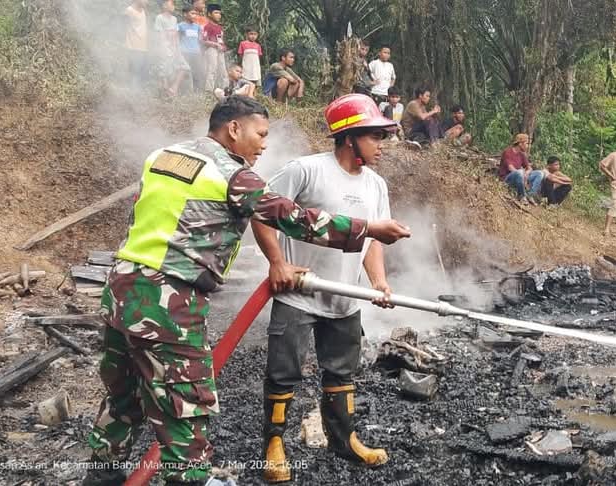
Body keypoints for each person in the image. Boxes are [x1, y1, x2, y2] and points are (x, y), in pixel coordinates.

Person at [80, 96, 412, 486]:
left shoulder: (163, 156)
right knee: (188, 407)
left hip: (121, 288)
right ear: (233, 129)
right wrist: (369, 229)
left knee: (123, 398)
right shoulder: (233, 175)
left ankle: (100, 477)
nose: (264, 144)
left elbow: (139, 215)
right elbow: (298, 220)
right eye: (260, 133)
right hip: (168, 302)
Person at [253, 94, 402, 482]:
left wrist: (378, 282)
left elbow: (372, 242)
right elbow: (262, 213)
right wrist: (277, 262)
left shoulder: (376, 185)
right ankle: (274, 444)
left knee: (341, 372)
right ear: (349, 137)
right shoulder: (305, 171)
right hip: (298, 293)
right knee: (283, 373)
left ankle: (343, 439)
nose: (381, 145)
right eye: (374, 137)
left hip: (345, 297)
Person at [153, 0, 189, 97]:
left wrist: (177, 48)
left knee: (184, 67)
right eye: (171, 3)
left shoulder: (174, 19)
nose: (174, 5)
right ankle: (165, 93)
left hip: (174, 48)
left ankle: (174, 88)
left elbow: (175, 35)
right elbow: (160, 35)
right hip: (165, 47)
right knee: (164, 71)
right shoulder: (159, 18)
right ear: (164, 5)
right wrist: (163, 48)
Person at [498, 133, 542, 204]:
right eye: (527, 143)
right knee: (519, 172)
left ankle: (530, 195)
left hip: (520, 177)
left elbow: (529, 168)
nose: (528, 146)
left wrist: (526, 173)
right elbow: (510, 168)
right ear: (520, 144)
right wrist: (522, 174)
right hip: (508, 178)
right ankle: (522, 196)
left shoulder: (522, 154)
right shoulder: (508, 152)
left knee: (539, 173)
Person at [177, 6, 205, 91]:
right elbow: (177, 39)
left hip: (196, 53)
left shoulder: (197, 27)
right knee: (185, 73)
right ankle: (184, 91)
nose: (195, 16)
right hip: (185, 52)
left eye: (196, 14)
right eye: (192, 13)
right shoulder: (180, 26)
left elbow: (200, 40)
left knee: (197, 73)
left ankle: (197, 92)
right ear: (185, 14)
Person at [201, 4, 226, 92]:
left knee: (223, 71)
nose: (218, 15)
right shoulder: (207, 26)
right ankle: (209, 91)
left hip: (220, 51)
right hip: (211, 50)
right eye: (216, 13)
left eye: (219, 13)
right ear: (209, 14)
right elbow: (204, 41)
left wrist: (223, 46)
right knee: (212, 70)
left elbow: (221, 40)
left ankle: (224, 90)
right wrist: (215, 44)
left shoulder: (220, 27)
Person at [124, 0, 148, 88]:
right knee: (134, 72)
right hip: (133, 46)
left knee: (140, 73)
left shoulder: (143, 11)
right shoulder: (129, 10)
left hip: (143, 47)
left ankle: (136, 94)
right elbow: (123, 27)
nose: (147, 2)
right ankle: (132, 94)